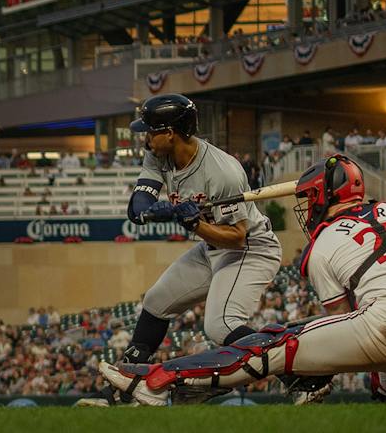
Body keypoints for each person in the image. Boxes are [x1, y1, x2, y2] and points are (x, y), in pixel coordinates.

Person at [96, 156, 386, 406]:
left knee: (275, 343)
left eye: (309, 200)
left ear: (322, 199)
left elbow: (347, 325)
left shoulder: (325, 242)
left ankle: (155, 380)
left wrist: (310, 363)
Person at [111, 94, 284, 377]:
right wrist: (162, 210)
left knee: (221, 325)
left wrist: (193, 224)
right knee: (156, 301)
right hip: (212, 246)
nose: (146, 139)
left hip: (251, 249)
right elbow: (138, 208)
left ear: (170, 133)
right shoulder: (158, 154)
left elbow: (237, 236)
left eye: (151, 131)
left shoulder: (222, 171)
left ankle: (293, 371)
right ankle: (128, 376)